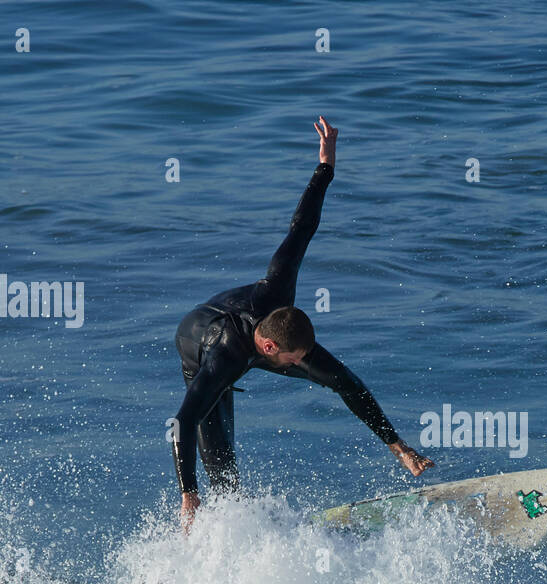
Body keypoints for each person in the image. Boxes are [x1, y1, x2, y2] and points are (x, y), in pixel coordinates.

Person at [170, 117, 433, 530]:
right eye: (296, 361)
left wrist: (325, 167)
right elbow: (182, 421)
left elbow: (302, 228)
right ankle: (210, 530)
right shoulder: (223, 358)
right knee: (219, 467)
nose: (300, 366)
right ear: (274, 352)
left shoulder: (278, 288)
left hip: (255, 330)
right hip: (199, 343)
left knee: (340, 378)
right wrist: (188, 493)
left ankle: (397, 445)